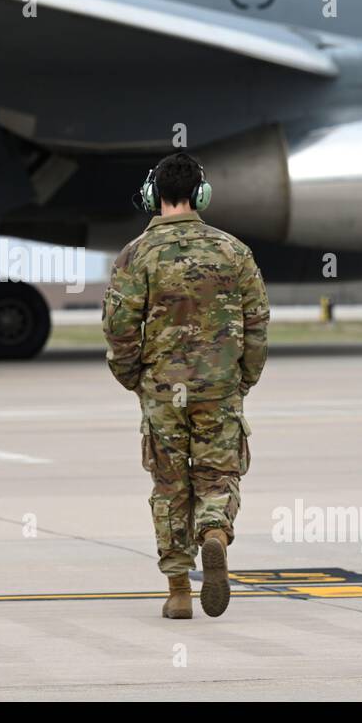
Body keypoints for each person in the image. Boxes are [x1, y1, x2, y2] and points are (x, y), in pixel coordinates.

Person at [102, 152, 270, 619]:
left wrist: (135, 378)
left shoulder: (135, 255)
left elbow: (118, 328)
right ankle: (214, 531)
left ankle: (178, 591)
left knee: (169, 484)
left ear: (154, 196)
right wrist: (244, 378)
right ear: (202, 194)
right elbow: (257, 324)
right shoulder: (234, 252)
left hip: (161, 389)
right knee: (218, 475)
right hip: (218, 386)